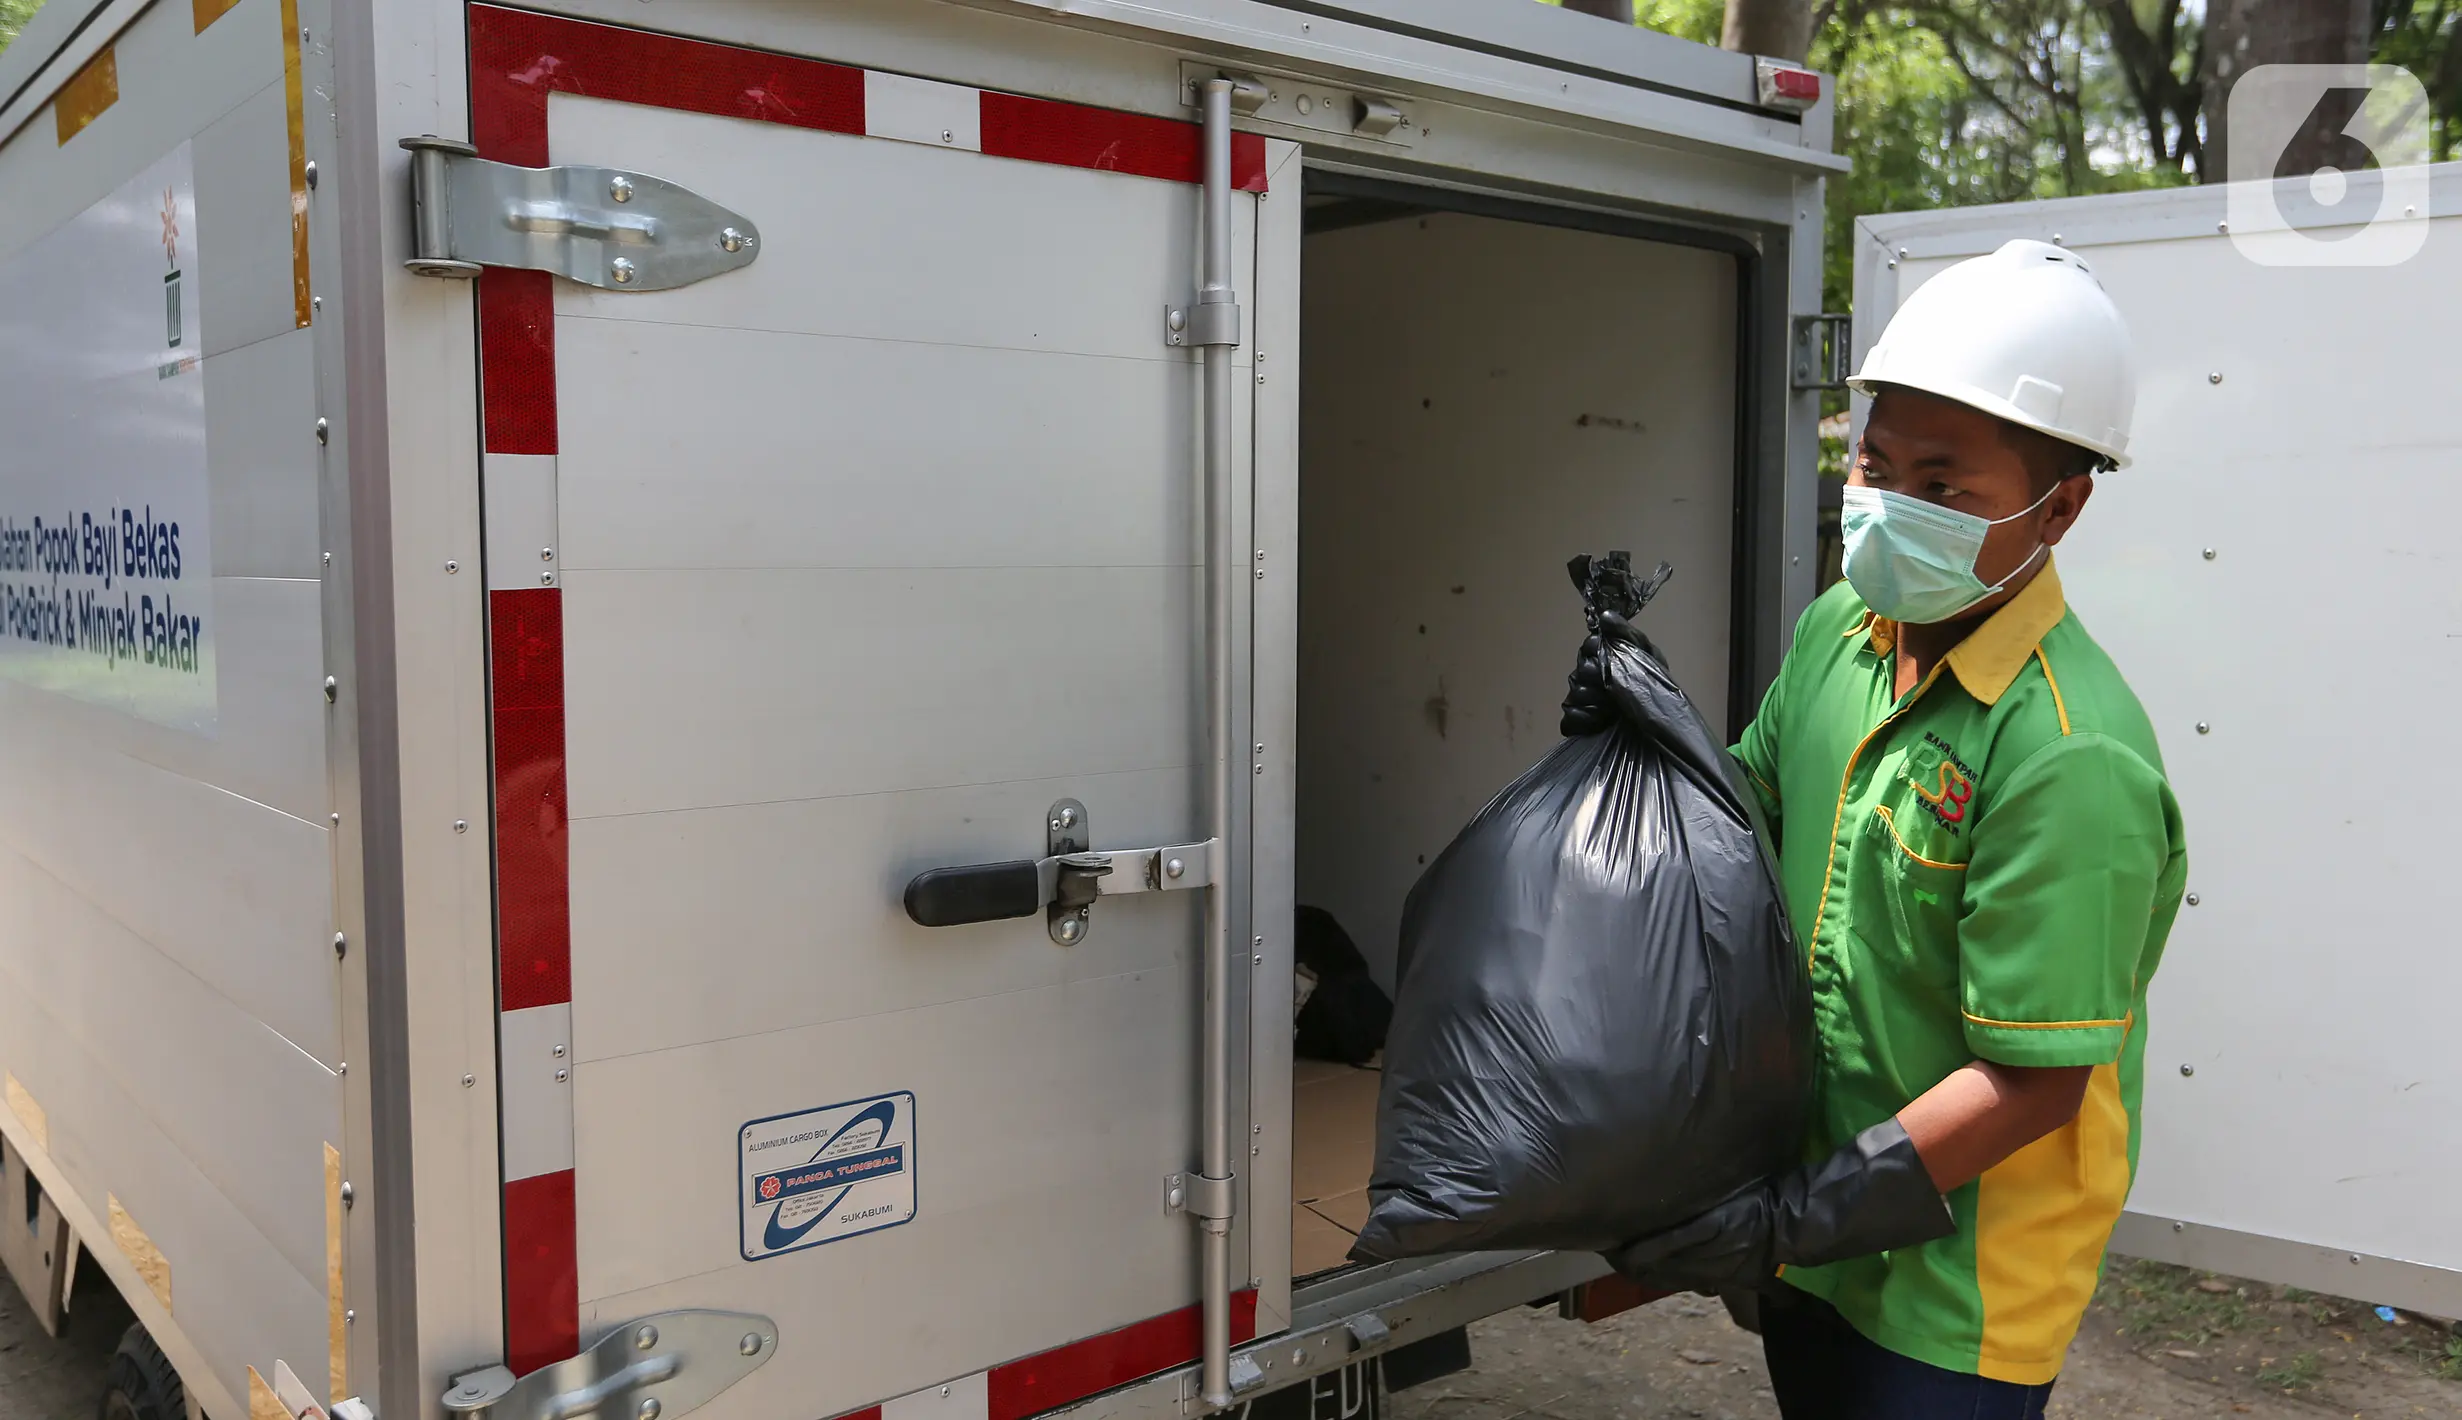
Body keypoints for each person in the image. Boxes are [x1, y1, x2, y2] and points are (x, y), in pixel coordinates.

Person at [1578, 239, 2189, 1418]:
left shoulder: (2066, 751)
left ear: (2056, 507)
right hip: (1811, 1215)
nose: (1888, 502)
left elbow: (2028, 1084)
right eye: (1876, 460)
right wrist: (1636, 737)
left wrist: (1796, 1212)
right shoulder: (1838, 633)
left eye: (1943, 486)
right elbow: (1741, 815)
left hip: (1955, 1285)